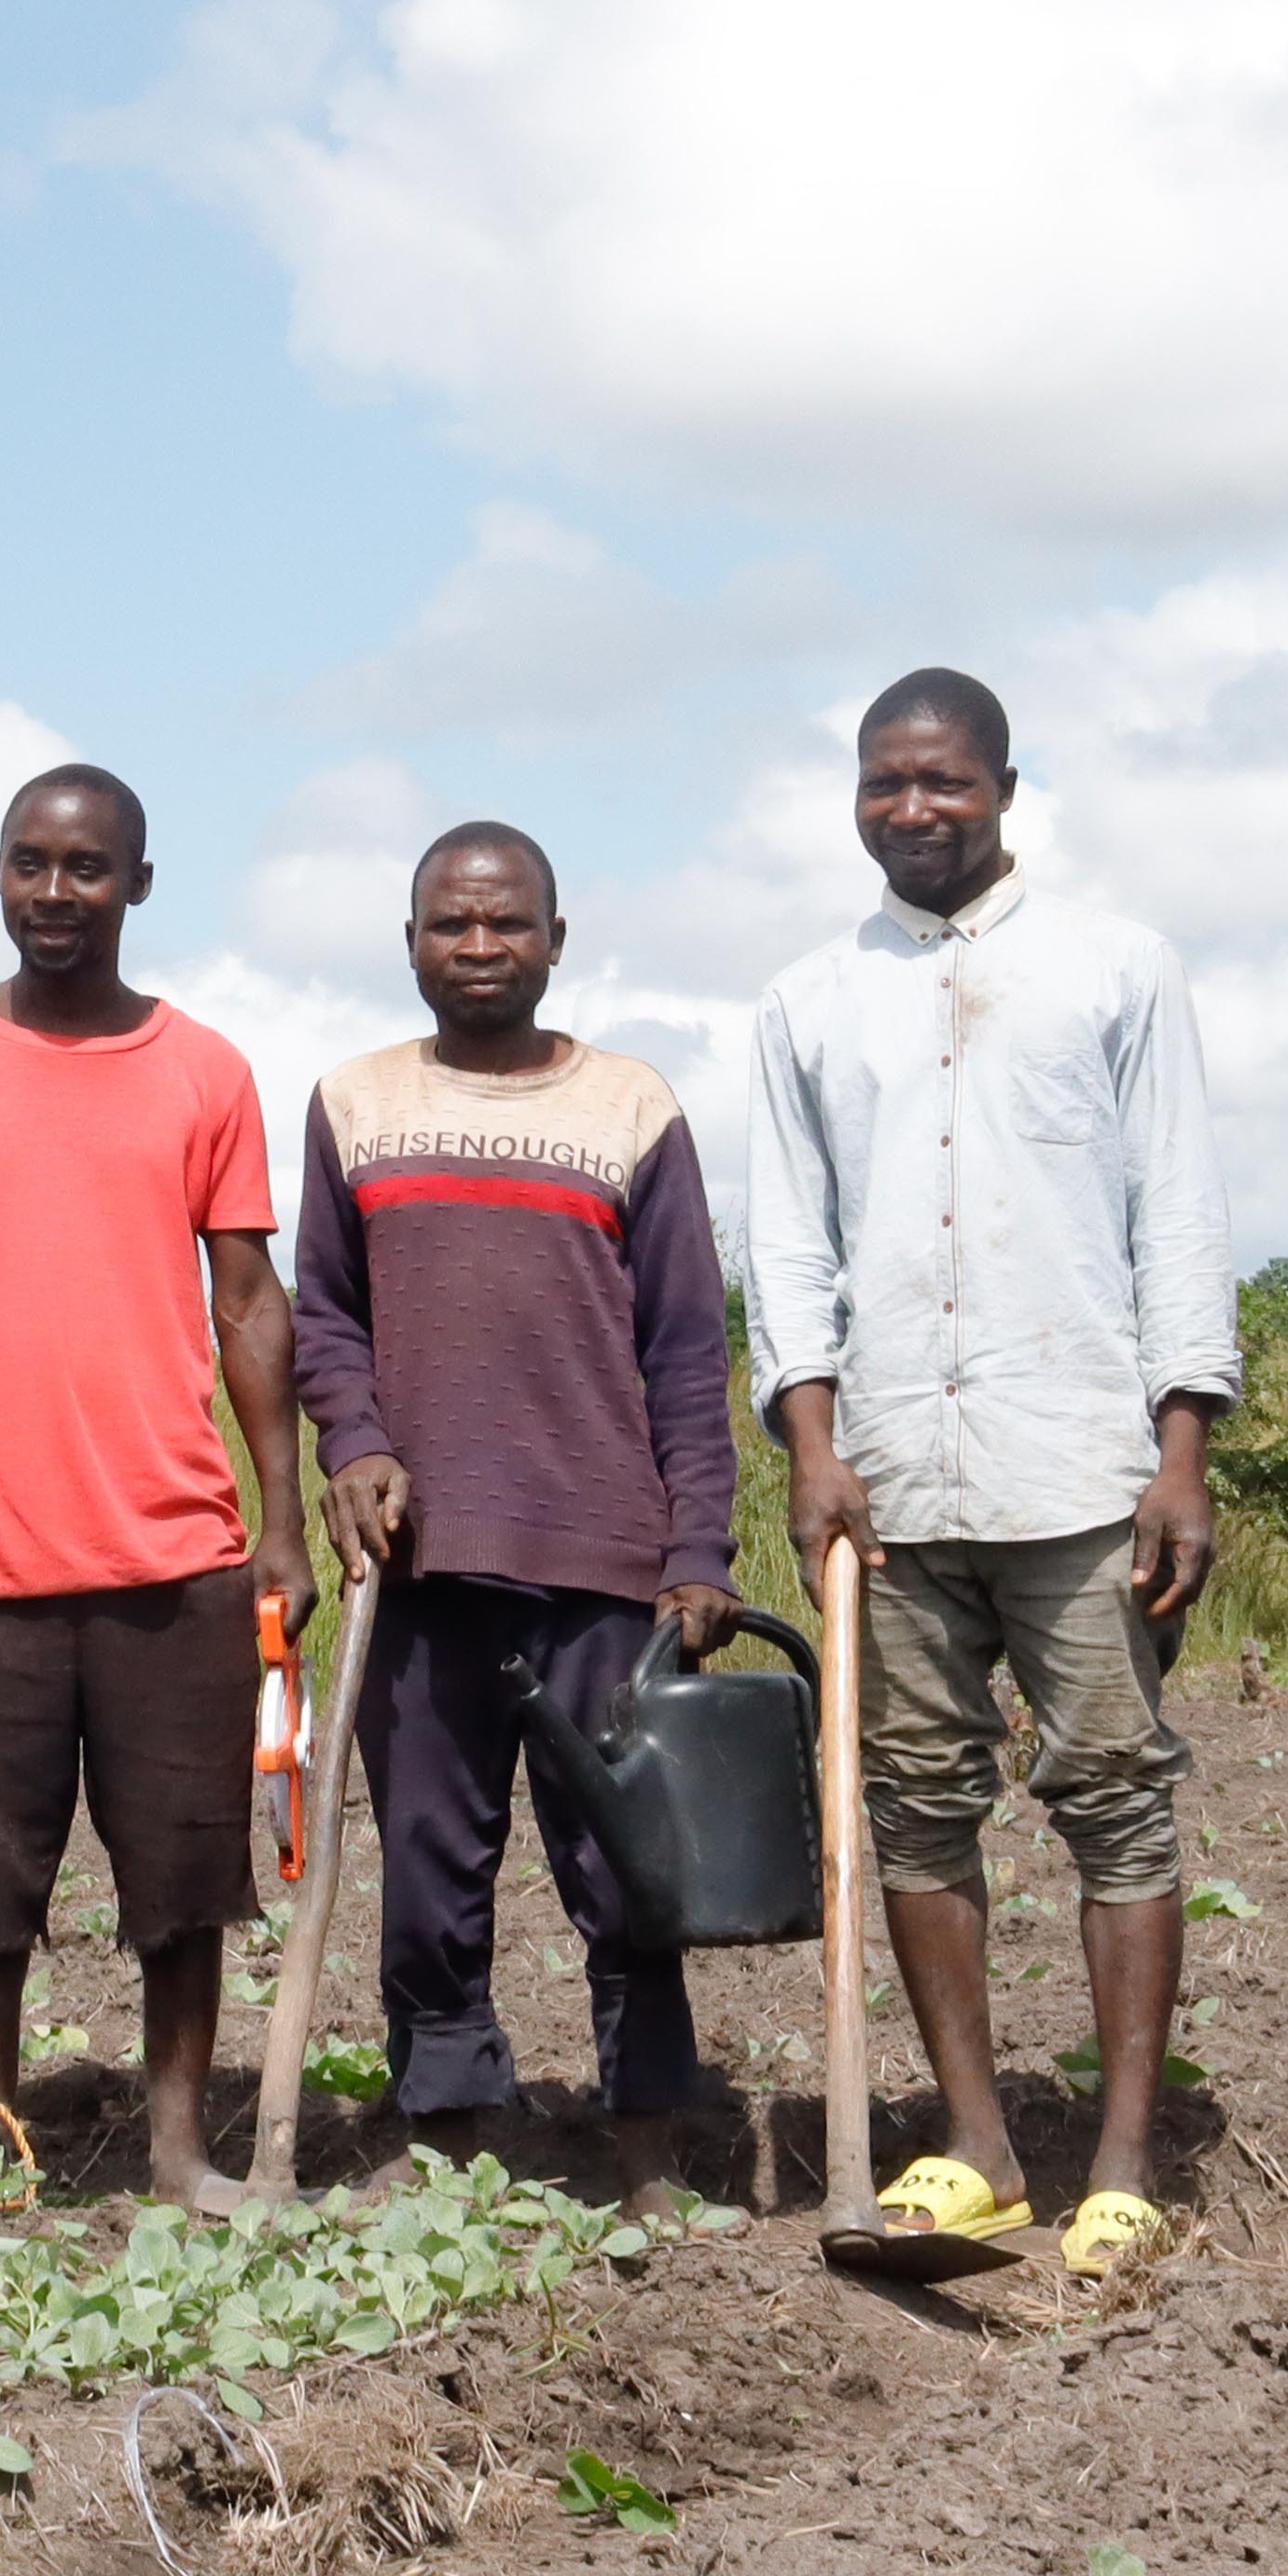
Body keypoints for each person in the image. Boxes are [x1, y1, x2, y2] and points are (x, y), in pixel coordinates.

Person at [744, 672, 1240, 2276]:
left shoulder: (1117, 968)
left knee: (1116, 1804)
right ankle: (976, 2144)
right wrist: (812, 1447)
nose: (912, 809)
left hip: (1082, 1465)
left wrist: (1182, 1449)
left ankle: (1121, 2160)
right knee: (916, 1808)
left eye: (942, 781)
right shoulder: (808, 1002)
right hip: (889, 1483)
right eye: (884, 783)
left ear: (1006, 788)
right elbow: (789, 1244)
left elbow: (1177, 1210)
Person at [0, 765, 313, 2214]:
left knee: (183, 1884)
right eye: (32, 865)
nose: (58, 894)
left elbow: (249, 1300)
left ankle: (176, 2149)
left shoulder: (204, 1071)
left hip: (175, 1556)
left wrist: (279, 1514)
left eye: (89, 868)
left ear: (139, 886)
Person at [293, 823, 737, 2216]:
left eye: (505, 924)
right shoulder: (354, 1103)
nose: (477, 948)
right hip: (420, 1565)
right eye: (448, 924)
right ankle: (454, 2135)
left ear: (556, 939)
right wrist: (354, 1443)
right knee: (430, 1869)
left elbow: (685, 1345)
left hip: (605, 1562)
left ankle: (647, 2143)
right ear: (411, 941)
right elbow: (323, 1315)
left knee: (627, 1876)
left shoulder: (632, 1109)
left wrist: (700, 1546)